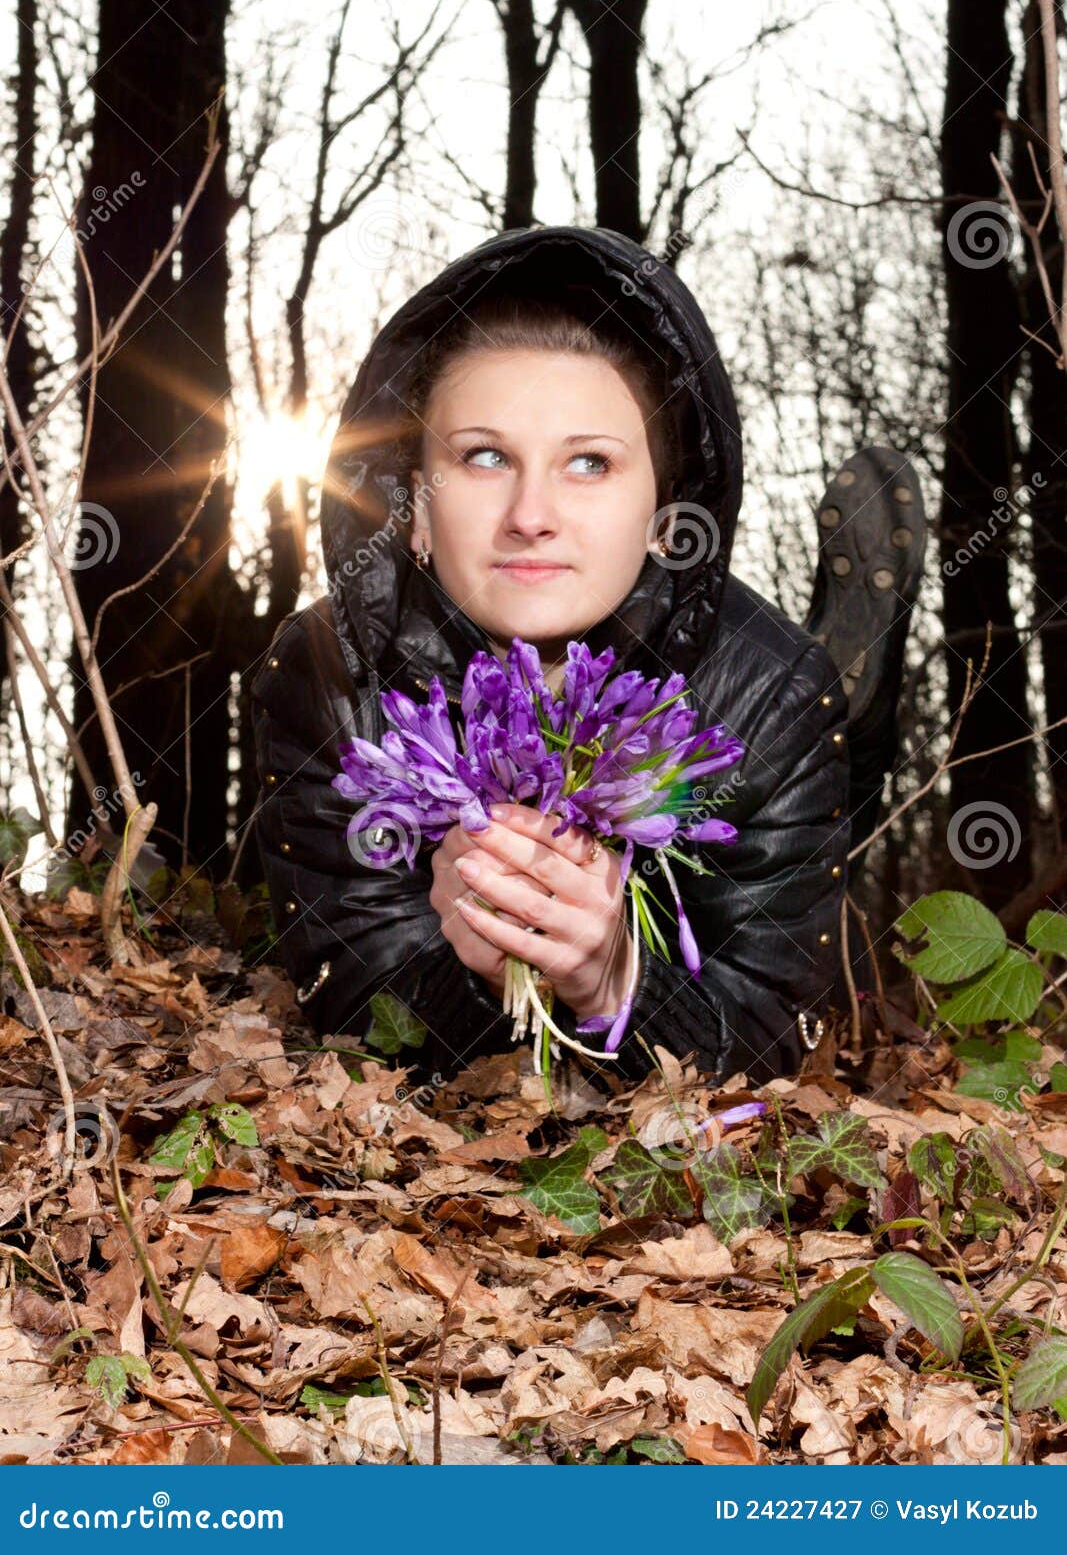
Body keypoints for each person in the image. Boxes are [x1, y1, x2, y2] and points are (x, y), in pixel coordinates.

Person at [251, 225, 924, 1085]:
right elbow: (353, 1012)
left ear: (662, 510)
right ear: (413, 502)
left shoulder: (767, 694)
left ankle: (856, 732)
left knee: (824, 807)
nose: (531, 515)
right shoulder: (327, 674)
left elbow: (769, 1036)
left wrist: (613, 980)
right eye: (485, 457)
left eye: (590, 464)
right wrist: (477, 970)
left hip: (758, 710)